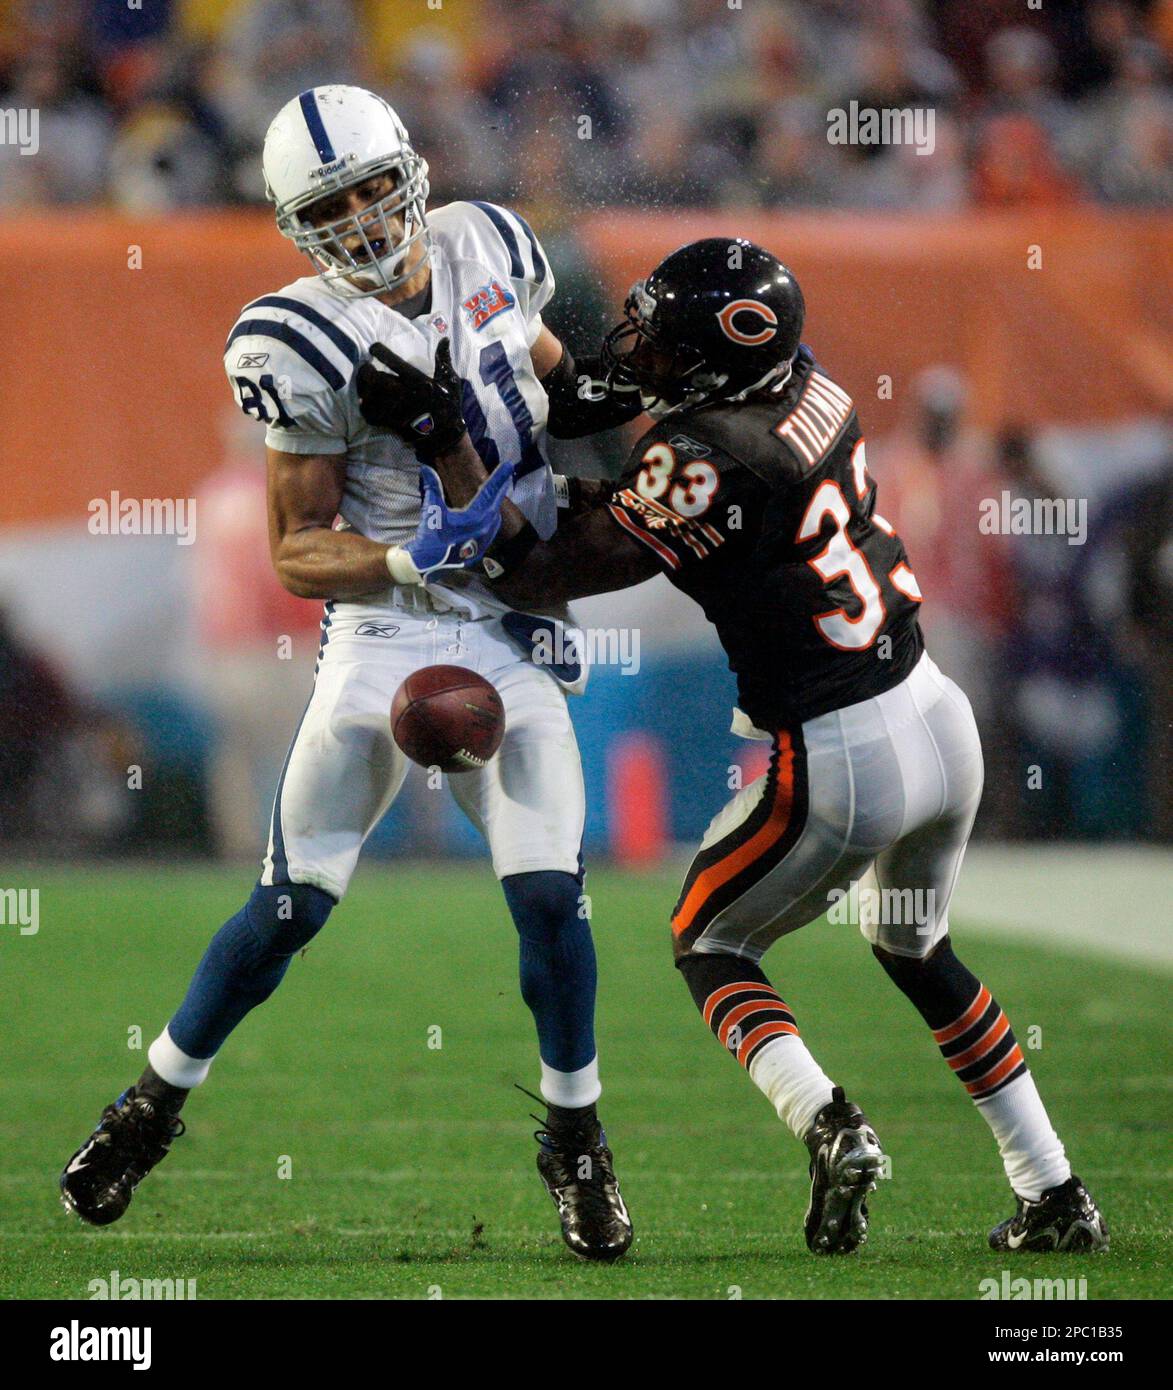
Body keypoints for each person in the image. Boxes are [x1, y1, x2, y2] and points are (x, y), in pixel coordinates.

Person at [359, 238, 1109, 1256]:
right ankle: (1054, 1187)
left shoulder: (711, 456)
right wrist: (540, 374)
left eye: (667, 341)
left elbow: (537, 573)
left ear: (716, 359)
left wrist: (452, 441)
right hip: (935, 711)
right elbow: (631, 408)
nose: (643, 350)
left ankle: (828, 1120)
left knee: (709, 940)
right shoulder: (811, 385)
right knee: (917, 948)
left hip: (844, 748)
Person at [60, 84, 642, 1262]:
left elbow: (551, 368)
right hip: (387, 625)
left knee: (549, 895)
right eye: (335, 203)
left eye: (377, 185)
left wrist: (602, 422)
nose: (368, 216)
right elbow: (295, 548)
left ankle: (576, 1142)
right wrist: (403, 556)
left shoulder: (492, 239)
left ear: (412, 172)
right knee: (287, 904)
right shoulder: (295, 335)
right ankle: (151, 1107)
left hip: (504, 622)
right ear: (294, 220)